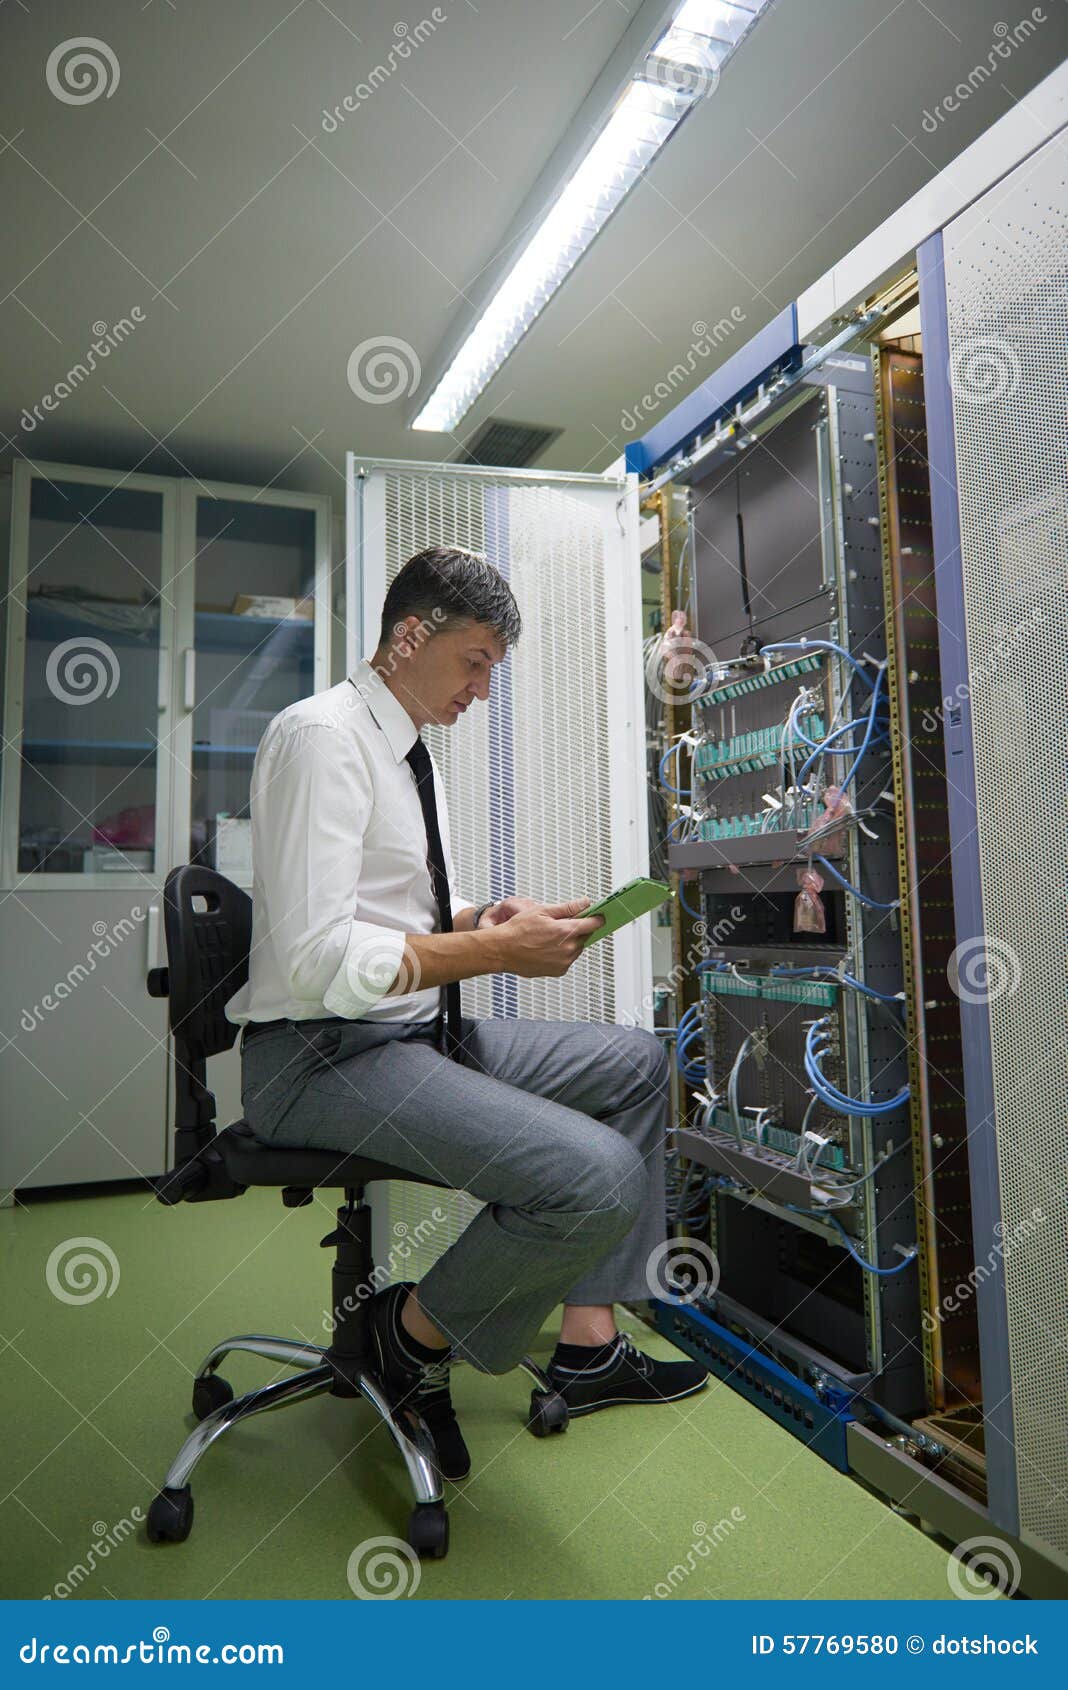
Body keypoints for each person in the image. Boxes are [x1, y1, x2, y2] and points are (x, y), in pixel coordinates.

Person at [226, 545, 707, 1480]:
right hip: (318, 1059)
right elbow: (321, 962)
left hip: (402, 1030)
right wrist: (492, 952)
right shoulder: (320, 739)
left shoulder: (402, 752)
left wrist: (486, 920)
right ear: (410, 636)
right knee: (597, 1178)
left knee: (640, 1063)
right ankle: (409, 1336)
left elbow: (385, 923)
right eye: (477, 661)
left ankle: (589, 1345)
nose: (484, 689)